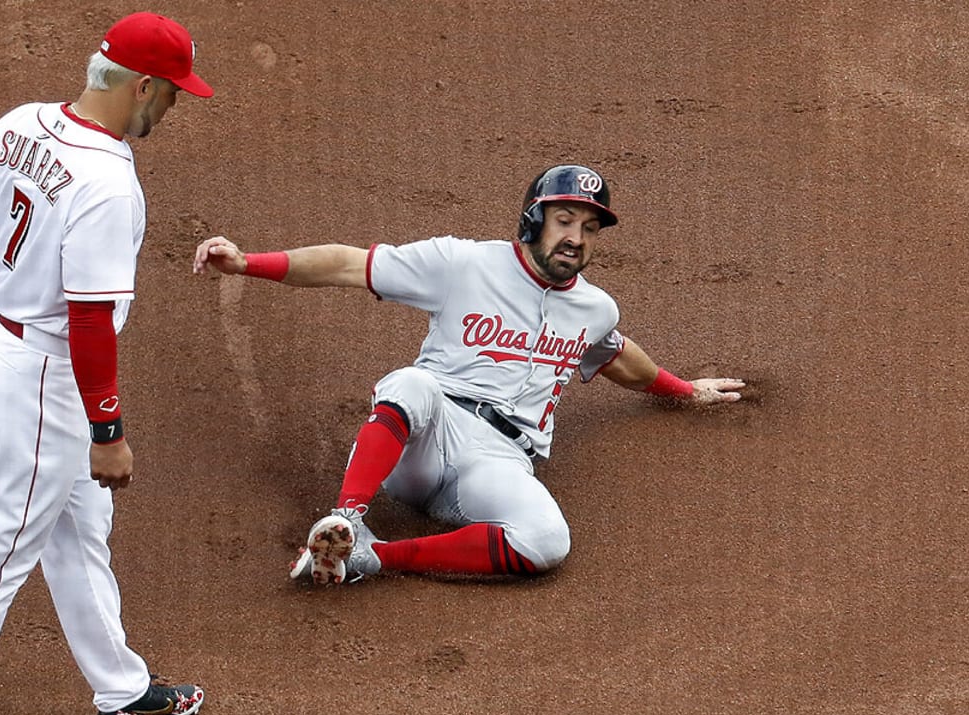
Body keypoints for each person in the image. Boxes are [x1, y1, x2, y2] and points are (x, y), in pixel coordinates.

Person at [0, 12, 213, 715]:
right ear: (140, 85)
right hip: (46, 381)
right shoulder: (108, 184)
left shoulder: (18, 126)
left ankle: (122, 692)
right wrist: (110, 432)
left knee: (78, 530)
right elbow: (89, 321)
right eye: (170, 94)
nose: (170, 108)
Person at [192, 164, 746, 585]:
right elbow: (346, 263)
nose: (577, 237)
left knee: (549, 541)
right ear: (534, 218)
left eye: (590, 227)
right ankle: (350, 515)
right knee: (413, 382)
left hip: (500, 461)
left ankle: (372, 555)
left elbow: (619, 358)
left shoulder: (595, 307)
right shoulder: (463, 263)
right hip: (430, 432)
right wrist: (248, 264)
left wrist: (684, 391)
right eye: (564, 220)